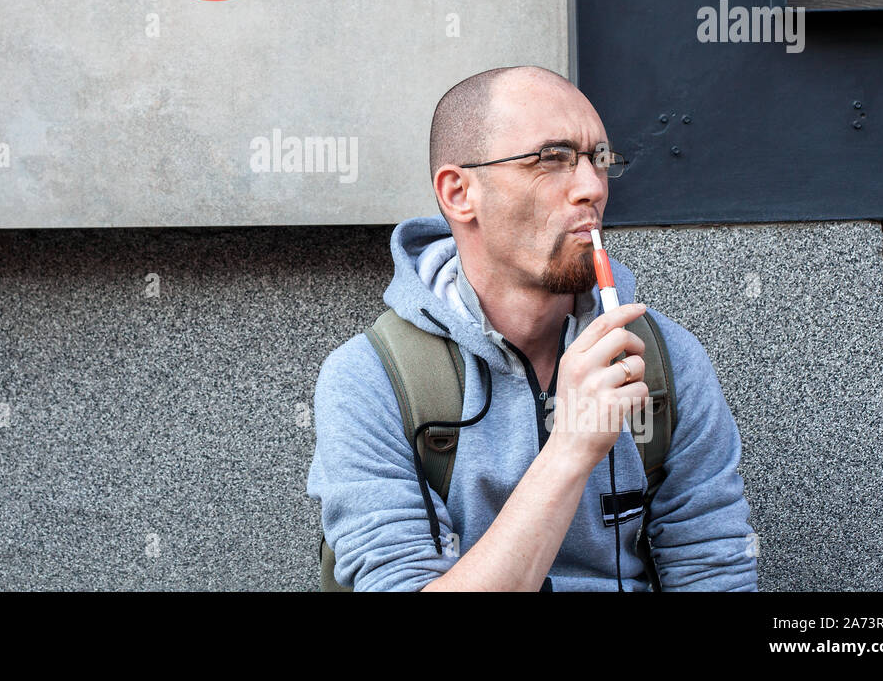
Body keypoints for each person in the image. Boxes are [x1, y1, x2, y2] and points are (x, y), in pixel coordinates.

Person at [306, 65, 757, 591]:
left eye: (599, 160)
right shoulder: (371, 381)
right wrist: (571, 449)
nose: (591, 187)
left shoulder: (665, 362)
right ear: (458, 193)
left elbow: (715, 572)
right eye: (553, 159)